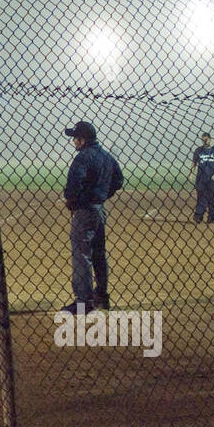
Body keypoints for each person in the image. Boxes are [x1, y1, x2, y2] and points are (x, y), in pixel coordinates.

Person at [61, 121, 123, 314]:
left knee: (81, 254)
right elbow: (118, 180)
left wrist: (73, 202)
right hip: (99, 210)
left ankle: (84, 302)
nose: (73, 142)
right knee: (99, 253)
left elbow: (72, 186)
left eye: (75, 138)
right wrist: (102, 195)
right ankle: (101, 296)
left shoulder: (83, 158)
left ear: (82, 139)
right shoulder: (106, 156)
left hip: (84, 211)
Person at [189, 131, 214, 223]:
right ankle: (199, 215)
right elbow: (194, 163)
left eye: (206, 140)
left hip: (212, 179)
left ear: (210, 139)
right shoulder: (198, 150)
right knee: (201, 196)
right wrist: (191, 173)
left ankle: (211, 217)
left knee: (212, 198)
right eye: (203, 140)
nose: (205, 142)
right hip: (201, 178)